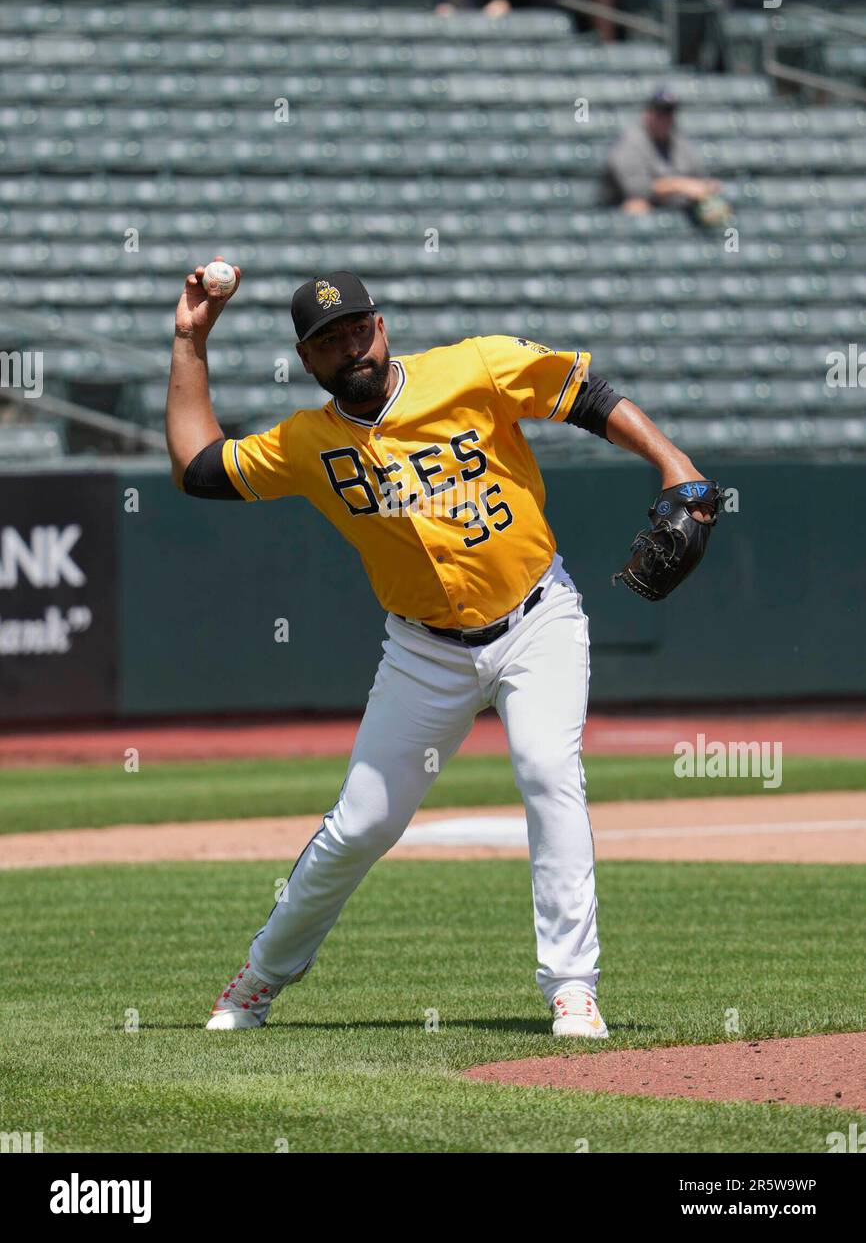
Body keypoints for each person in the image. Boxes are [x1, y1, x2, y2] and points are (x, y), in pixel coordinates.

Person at [165, 261, 716, 1038]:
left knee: (547, 771)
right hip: (425, 651)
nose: (350, 346)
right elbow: (196, 467)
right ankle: (257, 980)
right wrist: (191, 339)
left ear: (382, 327)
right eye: (329, 340)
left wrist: (674, 463)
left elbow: (584, 391)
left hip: (536, 618)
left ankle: (572, 988)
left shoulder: (472, 367)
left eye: (359, 327)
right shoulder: (305, 443)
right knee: (361, 826)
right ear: (308, 360)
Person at [602, 87, 723, 215]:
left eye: (669, 113)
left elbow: (699, 177)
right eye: (660, 114)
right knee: (636, 206)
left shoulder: (679, 142)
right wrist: (679, 185)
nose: (665, 119)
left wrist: (707, 186)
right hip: (630, 208)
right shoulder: (629, 144)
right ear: (647, 114)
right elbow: (638, 190)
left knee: (714, 207)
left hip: (676, 205)